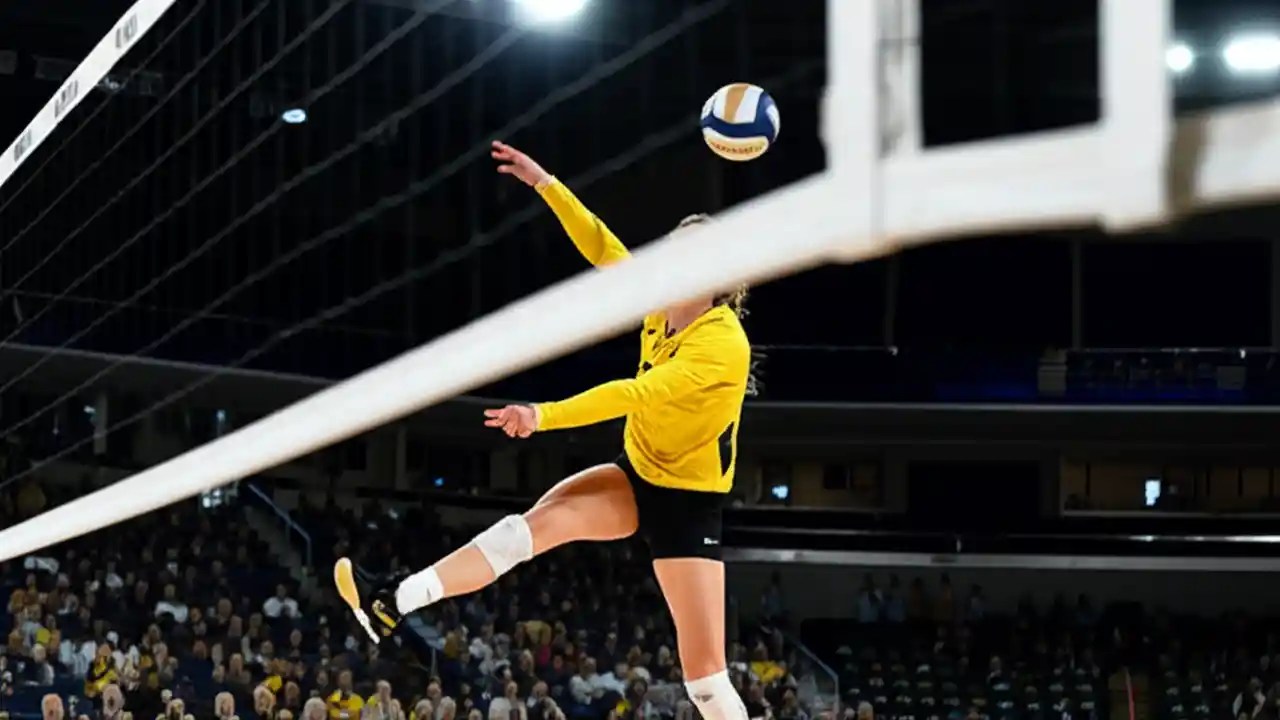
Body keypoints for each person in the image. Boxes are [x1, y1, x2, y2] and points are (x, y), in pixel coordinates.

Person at [334, 140, 752, 720]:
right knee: (526, 529)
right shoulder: (660, 301)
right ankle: (391, 602)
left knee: (705, 681)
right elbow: (606, 248)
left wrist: (542, 415)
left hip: (689, 503)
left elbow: (634, 393)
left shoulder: (723, 343)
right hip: (636, 472)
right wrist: (544, 182)